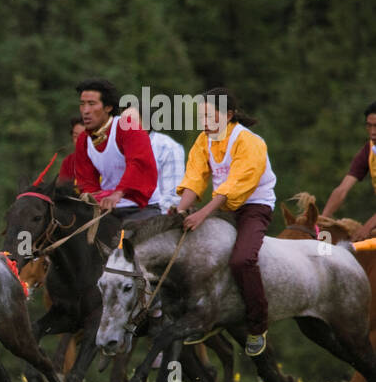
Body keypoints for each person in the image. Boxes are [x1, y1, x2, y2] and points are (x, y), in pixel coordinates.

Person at [173, 88, 278, 356]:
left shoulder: (249, 141)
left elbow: (235, 186)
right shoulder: (203, 141)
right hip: (222, 208)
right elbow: (195, 179)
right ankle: (204, 318)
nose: (204, 122)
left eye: (209, 116)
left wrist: (202, 213)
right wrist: (177, 212)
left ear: (229, 115)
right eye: (201, 116)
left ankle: (257, 327)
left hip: (254, 207)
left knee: (241, 260)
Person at [71, 78, 160, 244]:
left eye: (92, 104)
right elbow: (86, 181)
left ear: (108, 107)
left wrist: (118, 194)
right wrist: (92, 198)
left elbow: (138, 164)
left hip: (139, 209)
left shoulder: (128, 127)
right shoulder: (84, 138)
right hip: (106, 211)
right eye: (82, 104)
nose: (85, 110)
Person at [320, 100, 376, 237]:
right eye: (369, 126)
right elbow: (342, 190)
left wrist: (367, 228)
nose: (373, 132)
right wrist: (322, 221)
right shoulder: (368, 150)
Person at [55, 115, 86, 187]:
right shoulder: (68, 162)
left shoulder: (105, 158)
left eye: (83, 136)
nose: (78, 140)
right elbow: (62, 189)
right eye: (75, 136)